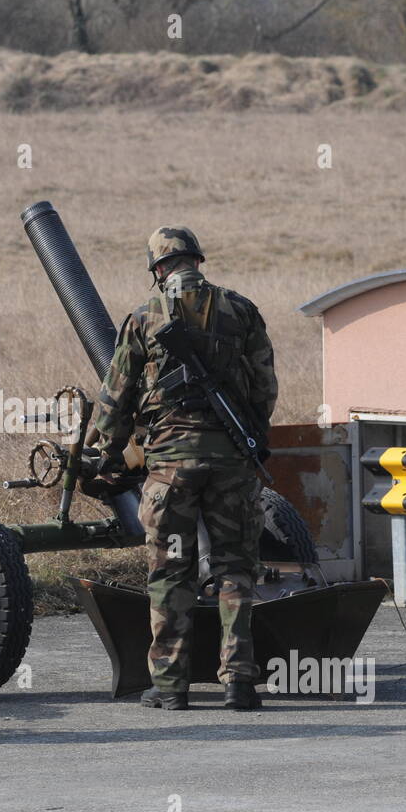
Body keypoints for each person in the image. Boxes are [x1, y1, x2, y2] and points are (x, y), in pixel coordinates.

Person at [90, 227, 278, 710]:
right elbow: (265, 388)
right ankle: (238, 680)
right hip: (232, 463)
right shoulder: (241, 310)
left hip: (170, 469)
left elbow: (116, 399)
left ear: (158, 269)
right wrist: (250, 440)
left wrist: (108, 457)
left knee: (172, 572)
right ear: (197, 259)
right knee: (235, 568)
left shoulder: (143, 317)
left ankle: (171, 687)